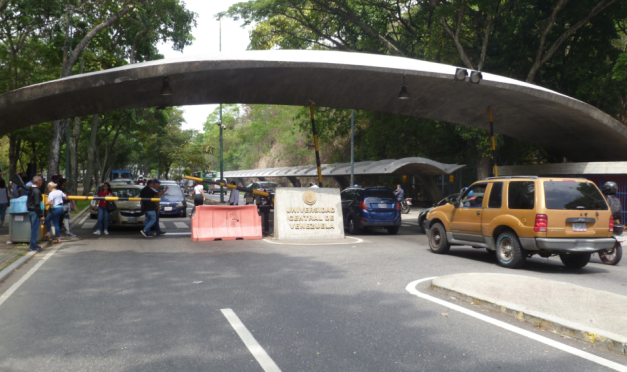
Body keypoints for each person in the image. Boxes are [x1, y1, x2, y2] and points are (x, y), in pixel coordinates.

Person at [26, 176, 44, 252]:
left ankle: (33, 245)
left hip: (30, 210)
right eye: (41, 180)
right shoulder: (37, 191)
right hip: (35, 212)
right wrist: (41, 215)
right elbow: (37, 204)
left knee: (33, 229)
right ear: (38, 181)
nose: (42, 182)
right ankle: (32, 246)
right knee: (34, 229)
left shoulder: (31, 189)